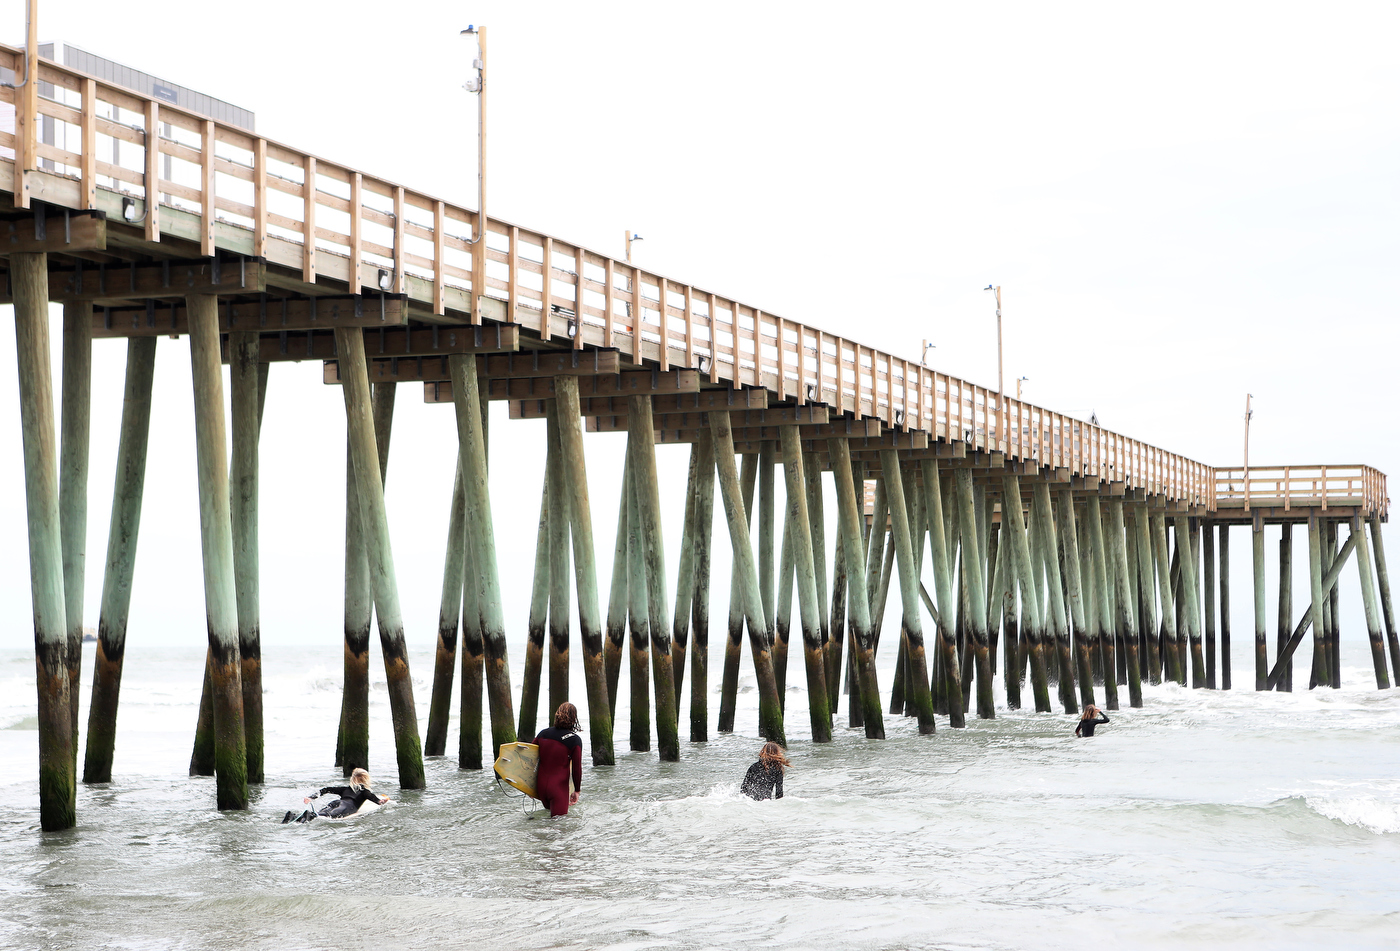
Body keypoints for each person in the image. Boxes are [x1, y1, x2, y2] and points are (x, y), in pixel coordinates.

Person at [283, 767, 389, 823]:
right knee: (323, 816)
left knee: (319, 814)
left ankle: (293, 816)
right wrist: (381, 801)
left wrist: (311, 797)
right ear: (366, 780)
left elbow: (327, 789)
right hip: (346, 807)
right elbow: (373, 798)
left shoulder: (345, 789)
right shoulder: (364, 791)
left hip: (336, 803)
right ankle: (306, 815)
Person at [534, 702, 583, 817]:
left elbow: (529, 758)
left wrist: (529, 786)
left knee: (547, 823)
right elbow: (576, 769)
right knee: (559, 825)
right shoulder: (574, 740)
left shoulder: (543, 734)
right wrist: (577, 790)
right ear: (574, 718)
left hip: (541, 787)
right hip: (558, 788)